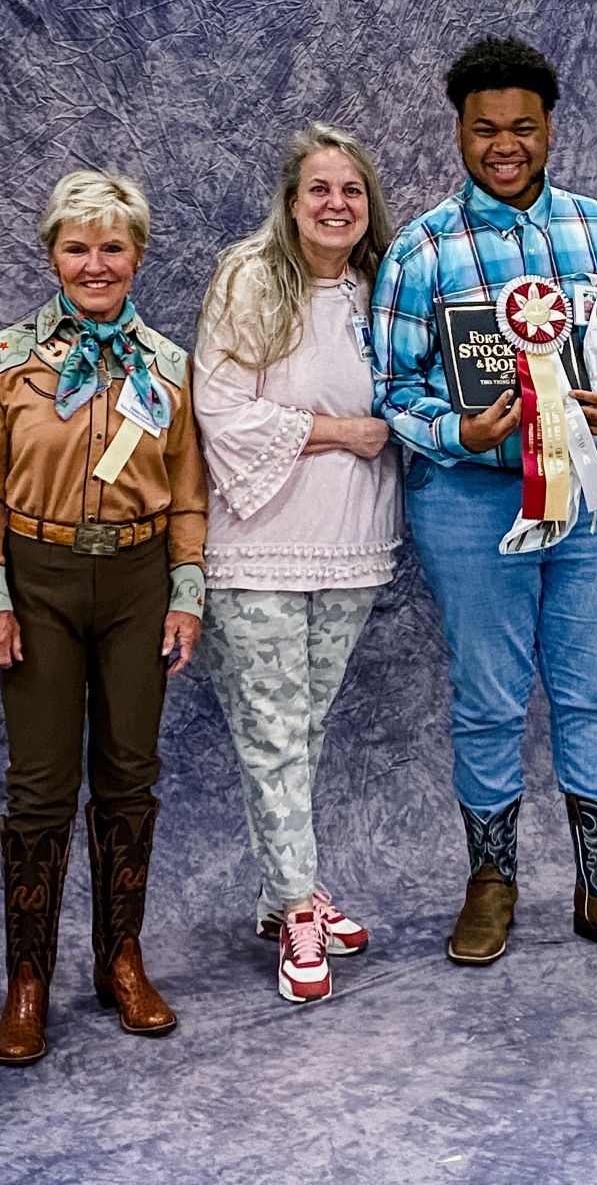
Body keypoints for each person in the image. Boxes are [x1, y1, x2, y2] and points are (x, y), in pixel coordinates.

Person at [373, 35, 597, 973]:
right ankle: (492, 882)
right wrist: (459, 434)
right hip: (470, 507)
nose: (504, 145)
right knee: (489, 699)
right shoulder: (421, 250)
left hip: (596, 500)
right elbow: (394, 390)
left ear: (550, 127)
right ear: (459, 134)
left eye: (521, 126)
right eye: (484, 130)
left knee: (592, 692)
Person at [0, 170, 208, 1065]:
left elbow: (187, 495)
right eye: (76, 247)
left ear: (137, 256)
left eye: (111, 247)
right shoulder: (7, 359)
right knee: (41, 784)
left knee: (131, 773)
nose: (94, 264)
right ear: (52, 255)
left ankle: (120, 960)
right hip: (39, 582)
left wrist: (186, 592)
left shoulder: (170, 366)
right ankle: (27, 982)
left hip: (138, 581)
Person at [194, 124, 401, 1008]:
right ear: (290, 202)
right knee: (273, 733)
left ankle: (287, 892)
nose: (336, 205)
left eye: (351, 190)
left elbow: (403, 398)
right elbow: (220, 410)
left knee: (303, 731)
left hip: (350, 542)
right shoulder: (250, 276)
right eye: (319, 189)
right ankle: (297, 907)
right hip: (258, 546)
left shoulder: (376, 289)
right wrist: (337, 432)